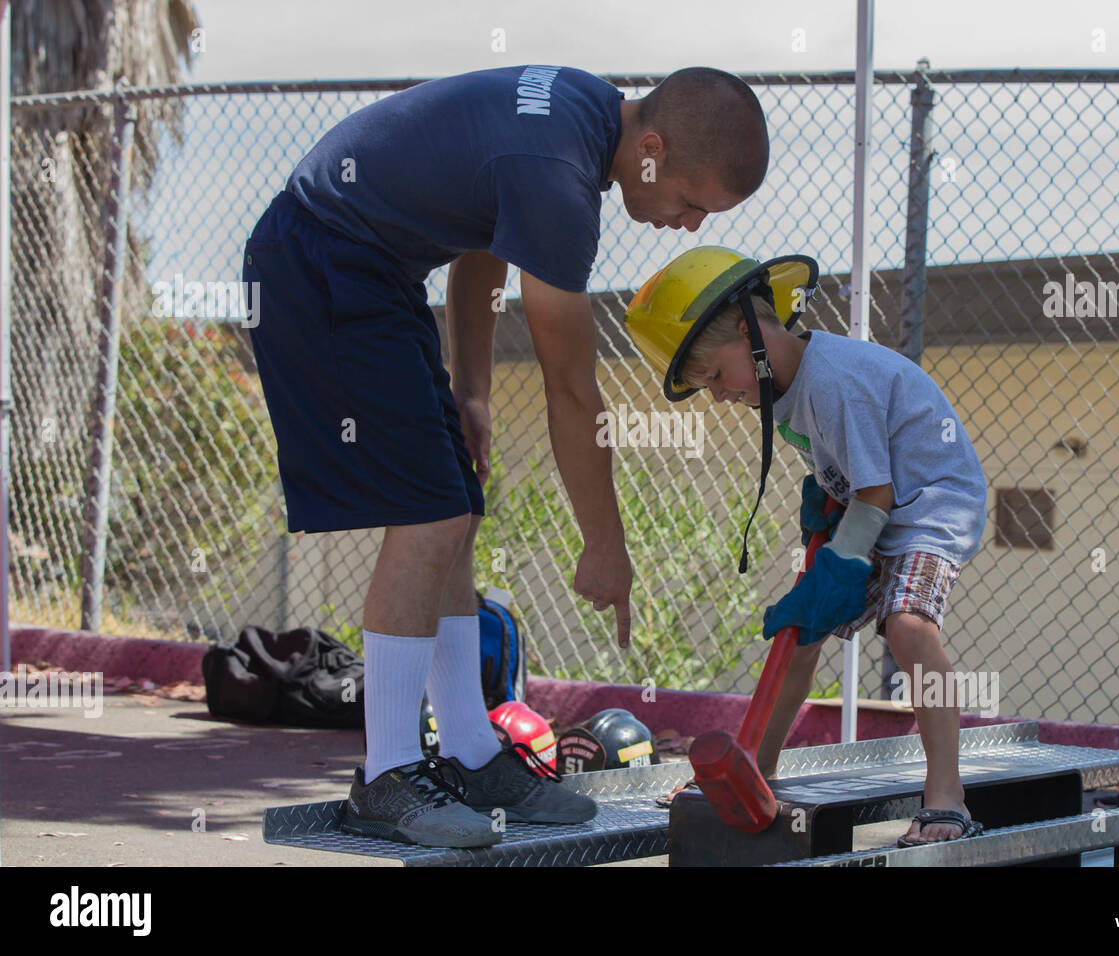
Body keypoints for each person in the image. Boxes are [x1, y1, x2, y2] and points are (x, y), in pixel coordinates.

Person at [242, 67, 770, 848]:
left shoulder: (582, 118)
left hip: (371, 267)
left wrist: (474, 391)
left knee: (455, 501)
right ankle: (386, 774)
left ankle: (469, 752)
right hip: (320, 261)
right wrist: (605, 544)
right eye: (691, 202)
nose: (688, 224)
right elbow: (571, 389)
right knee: (431, 514)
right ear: (652, 149)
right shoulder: (559, 177)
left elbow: (482, 248)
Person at [624, 246, 988, 845]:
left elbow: (879, 491)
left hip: (930, 501)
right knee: (799, 635)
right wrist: (827, 493)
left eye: (716, 375)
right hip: (873, 504)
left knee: (907, 625)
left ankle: (947, 796)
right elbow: (854, 478)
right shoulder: (785, 385)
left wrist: (842, 560)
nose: (717, 395)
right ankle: (752, 773)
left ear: (750, 331)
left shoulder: (833, 380)